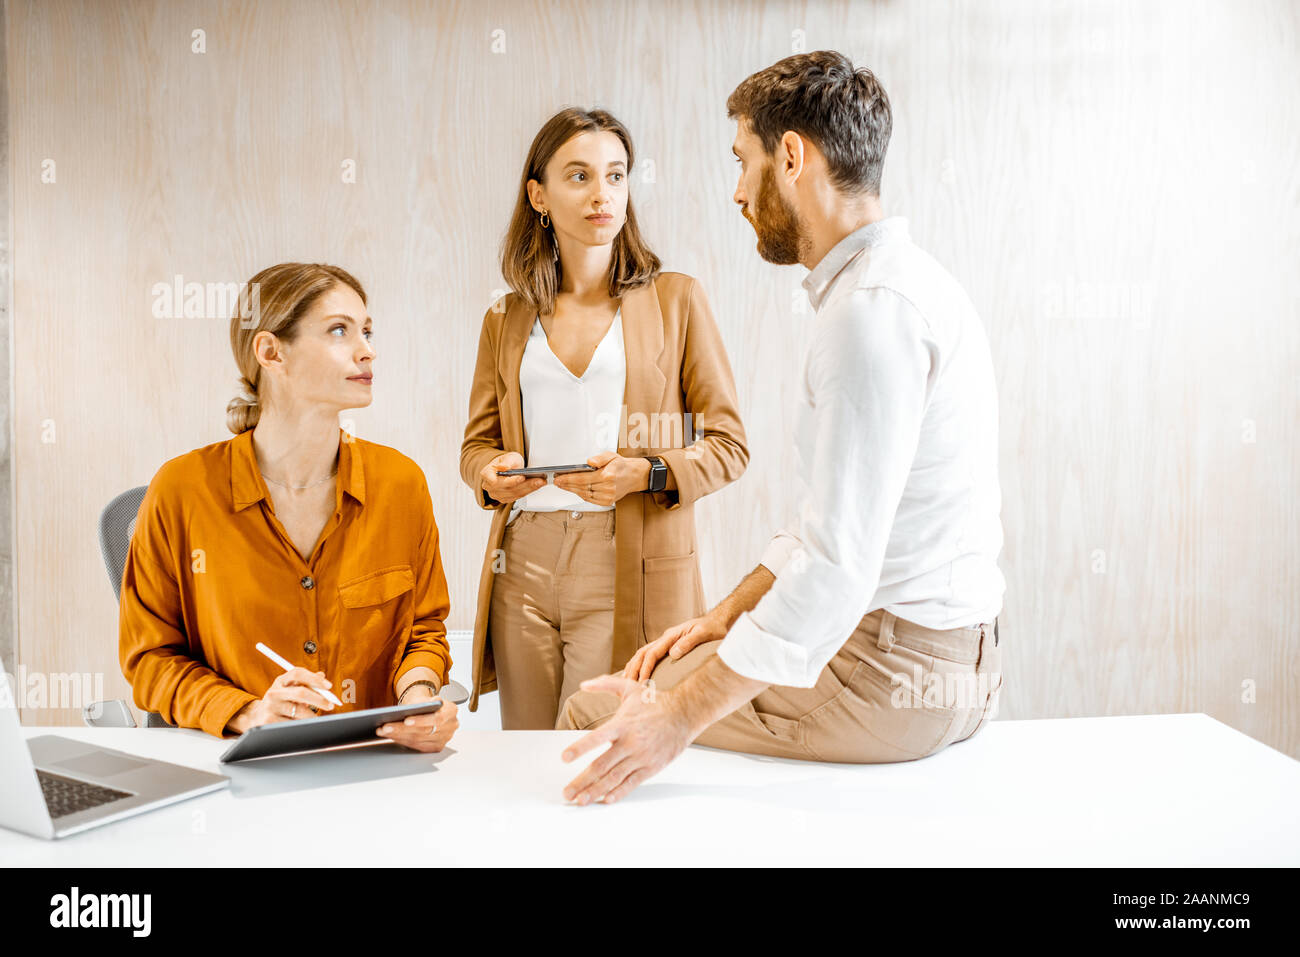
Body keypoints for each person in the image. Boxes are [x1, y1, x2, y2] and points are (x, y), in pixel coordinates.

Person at [558, 51, 1006, 804]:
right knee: (667, 666)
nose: (737, 191)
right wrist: (719, 620)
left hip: (891, 676)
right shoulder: (905, 286)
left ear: (791, 156)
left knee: (601, 704)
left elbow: (835, 568)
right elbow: (818, 530)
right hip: (953, 665)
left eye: (744, 160)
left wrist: (675, 718)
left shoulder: (869, 316)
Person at [460, 107, 749, 730]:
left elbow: (728, 445)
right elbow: (477, 446)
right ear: (539, 195)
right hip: (523, 561)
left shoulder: (677, 299)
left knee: (595, 742)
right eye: (580, 176)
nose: (603, 195)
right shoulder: (504, 319)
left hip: (622, 556)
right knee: (526, 755)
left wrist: (645, 473)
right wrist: (491, 472)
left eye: (616, 176)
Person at [119, 262, 459, 751]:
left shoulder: (401, 483)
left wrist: (420, 699)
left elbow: (423, 630)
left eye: (366, 330)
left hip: (368, 764)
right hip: (232, 768)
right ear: (271, 351)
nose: (368, 349)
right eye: (339, 331)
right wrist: (249, 712)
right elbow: (150, 659)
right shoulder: (181, 490)